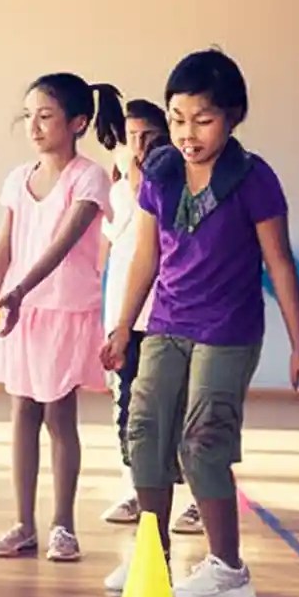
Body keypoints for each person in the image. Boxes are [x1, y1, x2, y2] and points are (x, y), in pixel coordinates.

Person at [100, 48, 299, 597]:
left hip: (227, 330)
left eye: (203, 119)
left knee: (203, 440)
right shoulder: (162, 172)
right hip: (167, 322)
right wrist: (124, 325)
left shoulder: (253, 178)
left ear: (233, 115)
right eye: (176, 118)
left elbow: (281, 263)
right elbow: (146, 255)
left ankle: (228, 569)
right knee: (143, 431)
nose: (187, 133)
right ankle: (153, 556)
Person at [0, 73, 123, 562]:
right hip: (21, 311)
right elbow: (4, 243)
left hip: (63, 310)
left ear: (78, 122)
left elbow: (62, 244)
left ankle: (63, 525)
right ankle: (24, 524)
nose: (34, 126)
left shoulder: (89, 177)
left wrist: (17, 289)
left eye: (46, 116)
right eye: (29, 116)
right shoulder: (17, 179)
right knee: (22, 413)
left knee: (60, 416)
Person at [99, 100, 202, 535]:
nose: (139, 145)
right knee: (131, 412)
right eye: (131, 136)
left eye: (149, 136)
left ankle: (195, 497)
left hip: (167, 318)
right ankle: (138, 490)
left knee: (179, 412)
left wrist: (134, 170)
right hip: (128, 318)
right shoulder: (118, 187)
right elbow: (116, 254)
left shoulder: (168, 182)